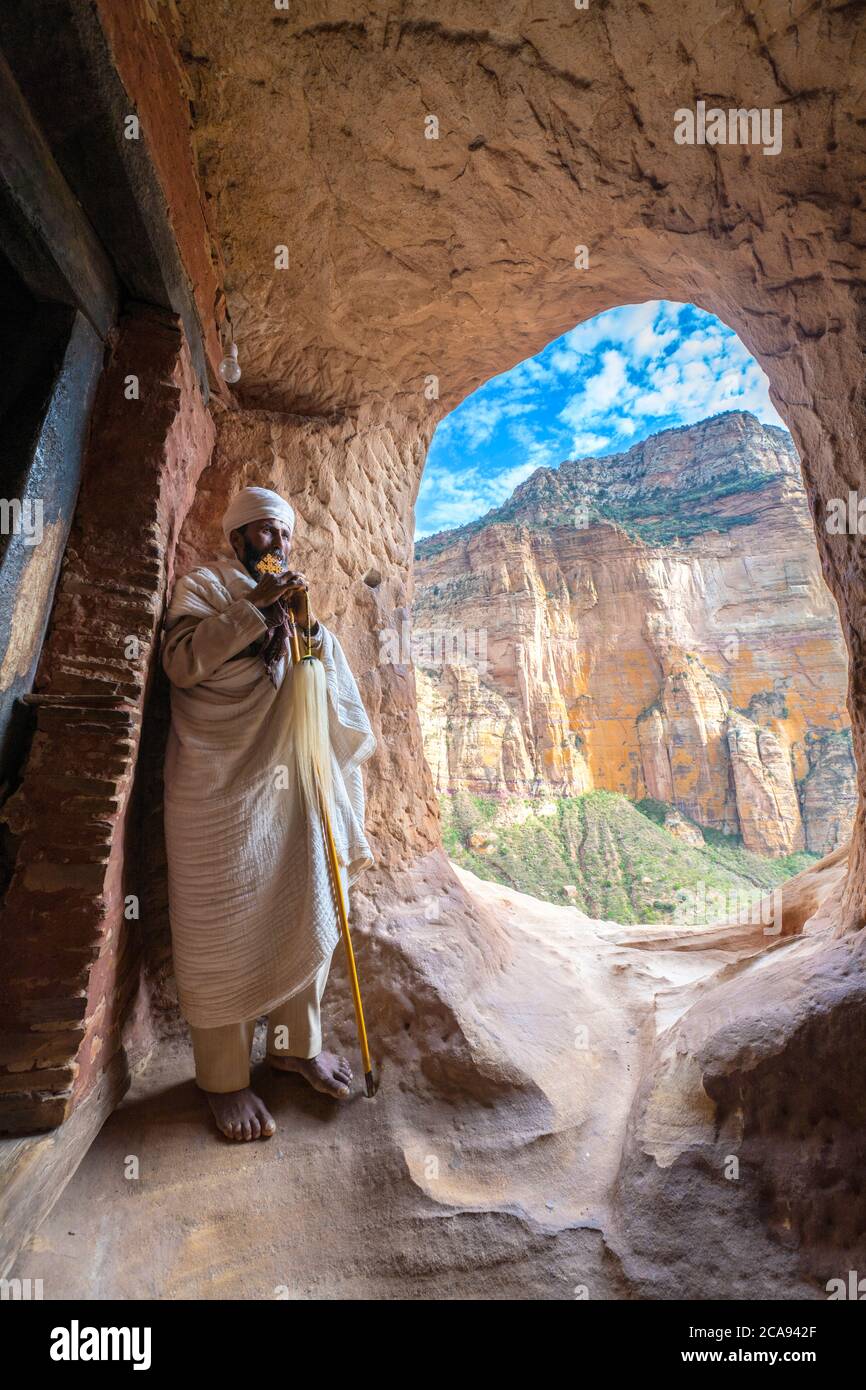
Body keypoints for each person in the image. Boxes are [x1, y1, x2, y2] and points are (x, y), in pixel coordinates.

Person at [160, 486, 376, 1141]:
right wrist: (256, 611)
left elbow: (329, 700)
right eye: (262, 534)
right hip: (214, 790)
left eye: (283, 535)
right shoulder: (202, 591)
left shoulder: (299, 607)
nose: (277, 546)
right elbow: (182, 663)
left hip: (290, 792)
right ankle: (224, 1082)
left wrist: (308, 634)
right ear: (236, 541)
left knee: (300, 904)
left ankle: (293, 1046)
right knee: (217, 926)